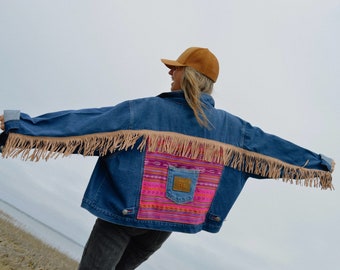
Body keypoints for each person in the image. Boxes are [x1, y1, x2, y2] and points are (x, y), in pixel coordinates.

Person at [0, 47, 335, 270]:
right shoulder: (234, 130)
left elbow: (86, 126)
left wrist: (21, 125)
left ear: (187, 74)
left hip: (122, 217)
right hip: (166, 225)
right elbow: (273, 149)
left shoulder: (146, 110)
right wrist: (317, 164)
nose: (169, 74)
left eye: (175, 69)